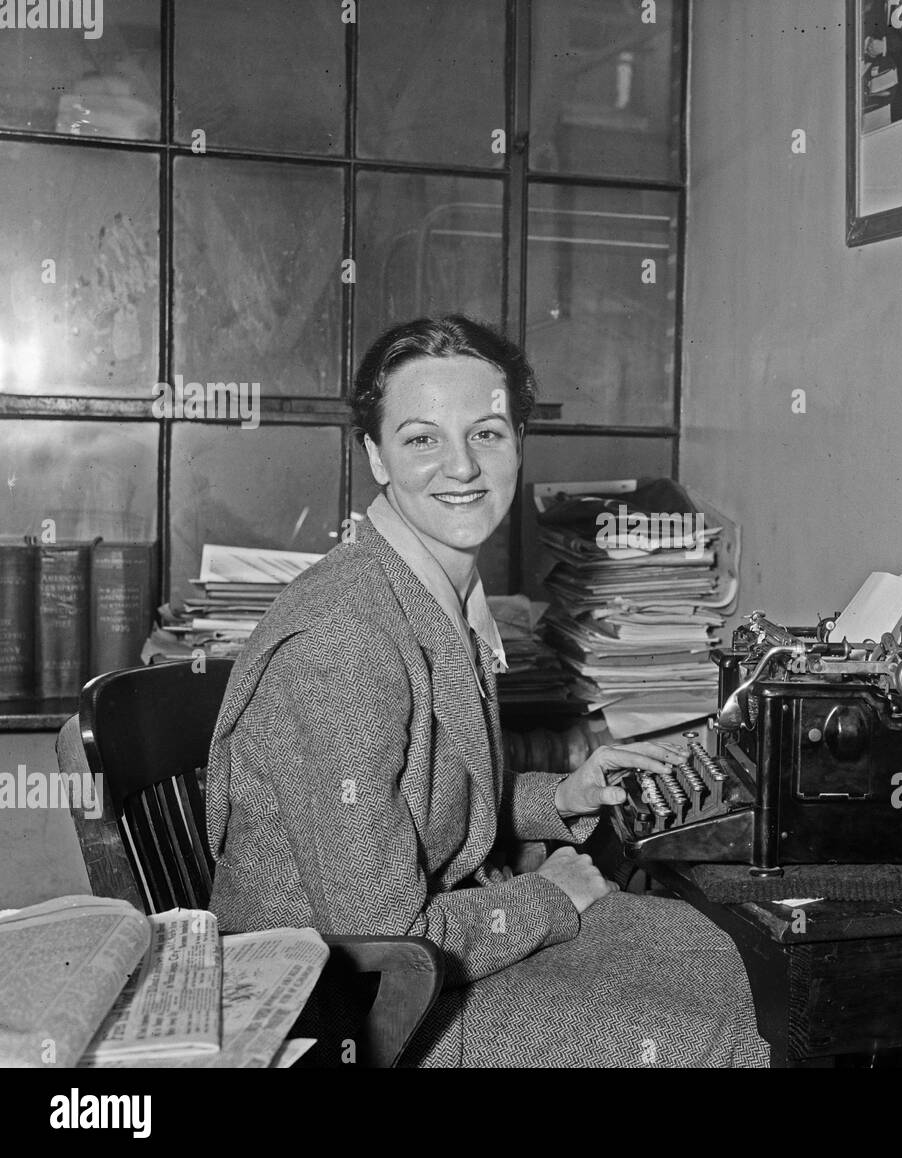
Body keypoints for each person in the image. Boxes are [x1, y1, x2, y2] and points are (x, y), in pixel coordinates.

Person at [204, 316, 768, 1068]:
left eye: (488, 434)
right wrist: (550, 898)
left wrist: (560, 799)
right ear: (376, 456)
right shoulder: (348, 641)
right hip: (348, 1007)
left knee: (720, 954)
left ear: (519, 443)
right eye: (421, 438)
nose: (461, 467)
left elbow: (423, 798)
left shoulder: (426, 589)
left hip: (399, 956)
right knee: (693, 1022)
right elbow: (384, 931)